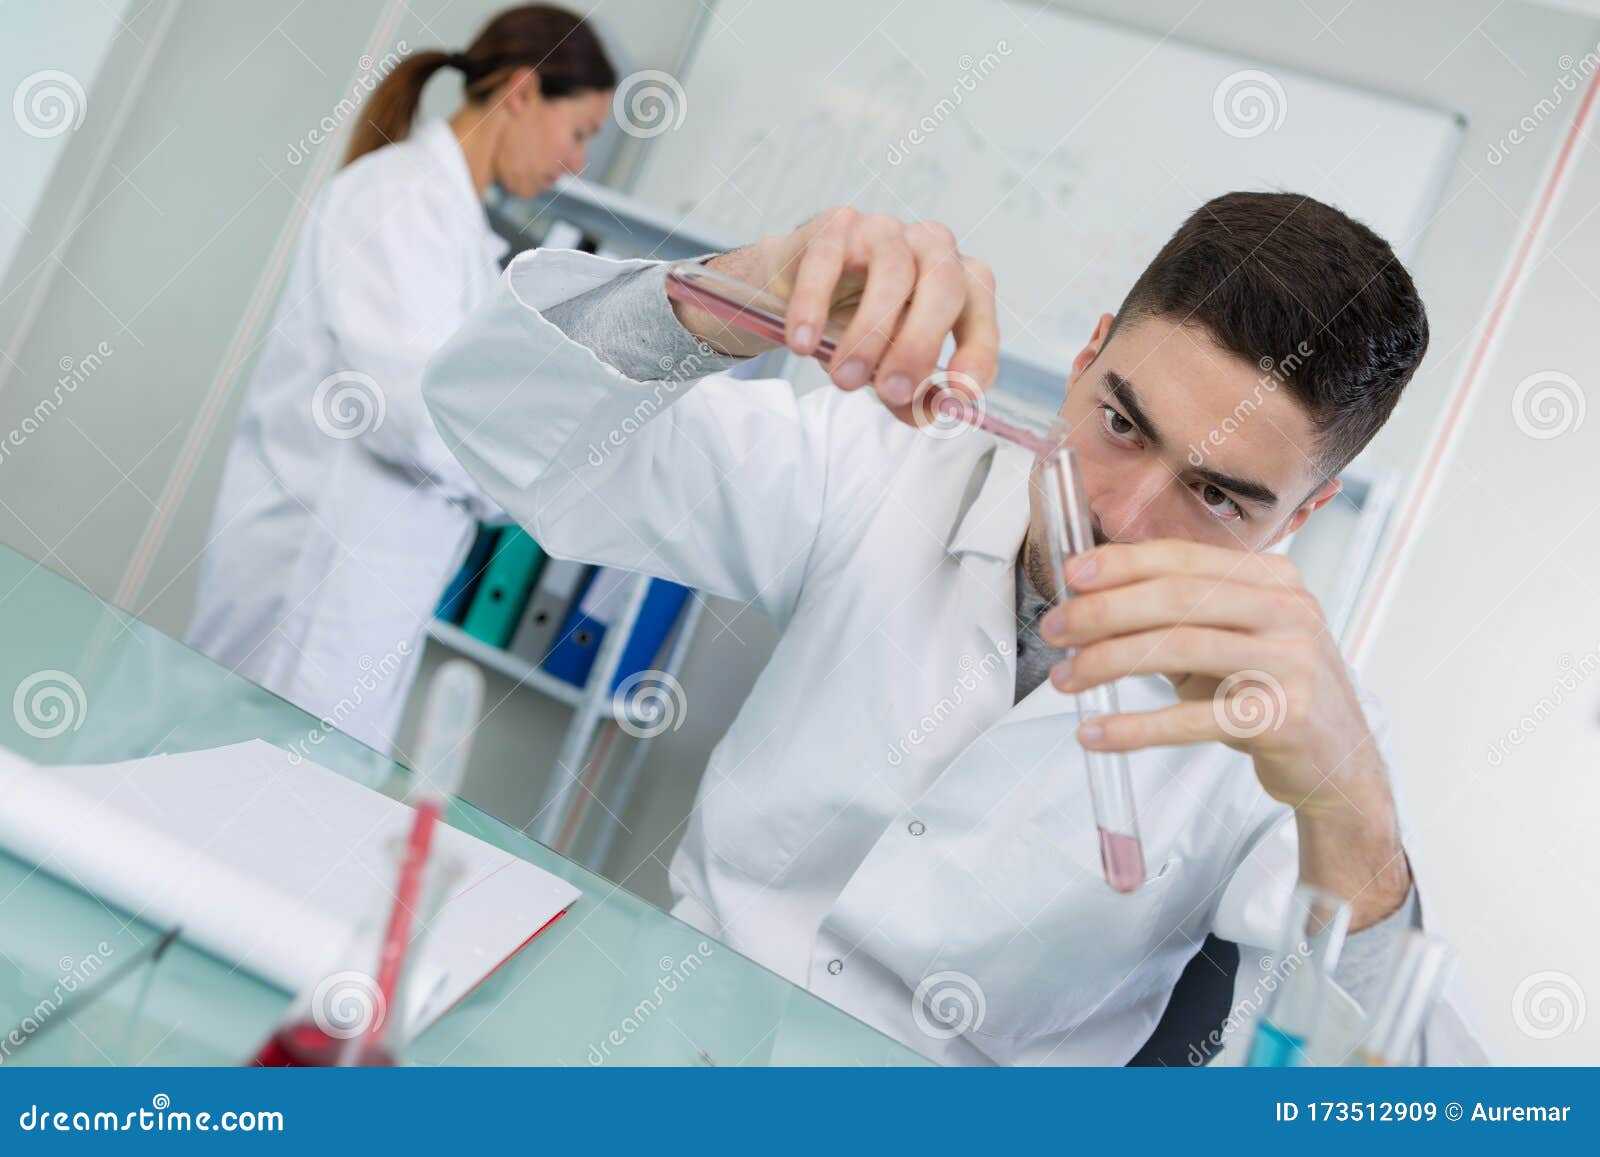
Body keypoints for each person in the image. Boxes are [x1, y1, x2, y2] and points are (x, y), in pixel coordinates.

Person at [421, 196, 1486, 1065]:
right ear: (1083, 361)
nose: (1122, 514)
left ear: (1299, 517)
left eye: (1216, 495)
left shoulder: (1296, 727)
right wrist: (736, 294)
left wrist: (1348, 804)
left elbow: (1393, 1097)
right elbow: (503, 431)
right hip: (671, 1046)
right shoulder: (880, 468)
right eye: (1120, 423)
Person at [186, 6, 614, 755]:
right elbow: (410, 417)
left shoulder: (460, 232)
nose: (576, 162)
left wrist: (506, 456)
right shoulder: (398, 199)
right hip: (309, 592)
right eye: (578, 131)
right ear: (520, 92)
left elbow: (464, 417)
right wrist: (513, 469)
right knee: (229, 803)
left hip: (361, 601)